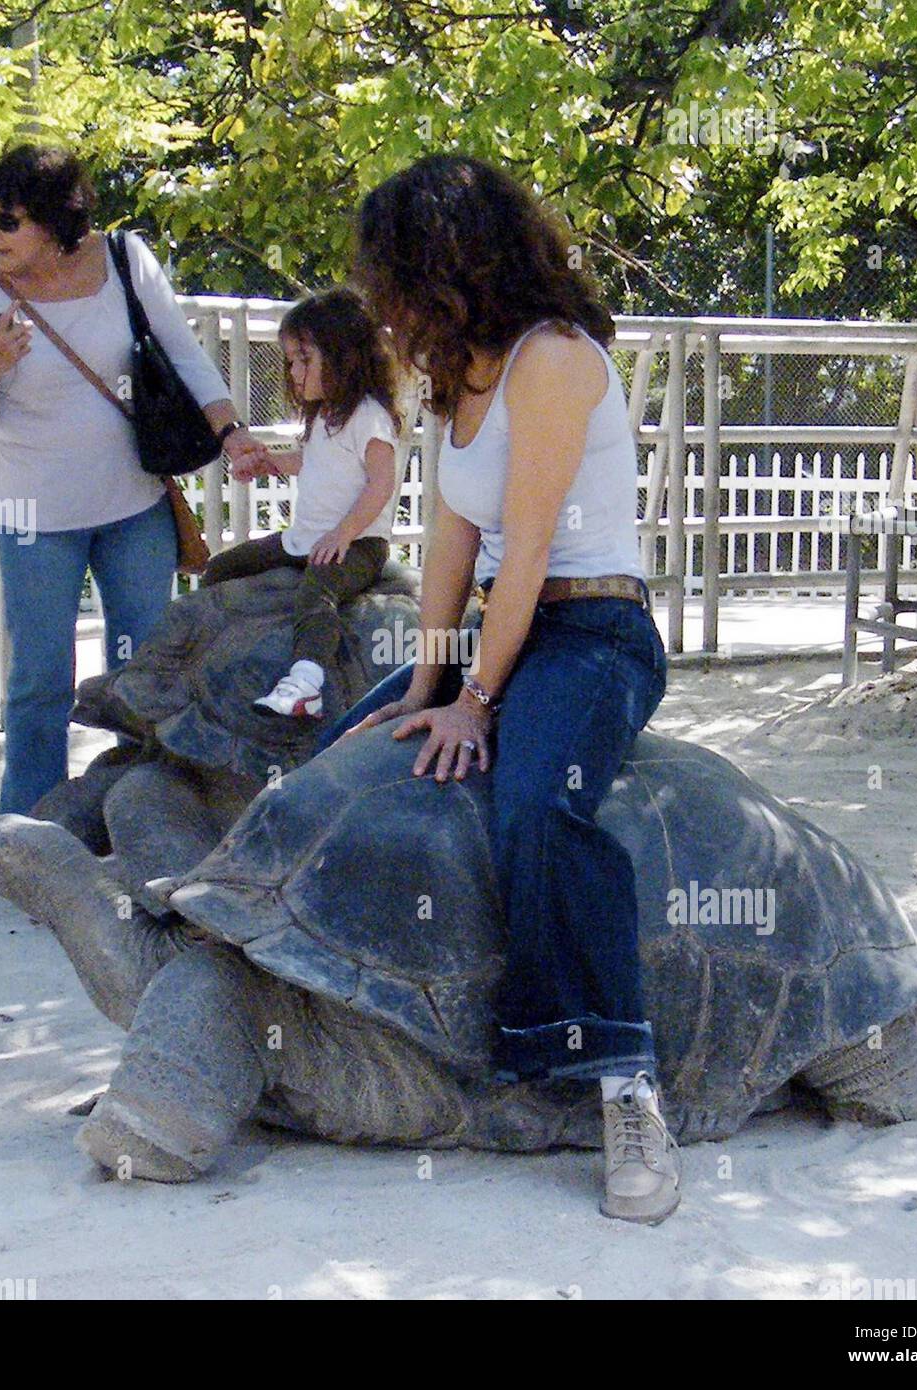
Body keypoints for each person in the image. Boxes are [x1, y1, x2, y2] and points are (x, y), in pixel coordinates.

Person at [315, 154, 680, 1224]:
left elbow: (525, 559)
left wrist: (479, 699)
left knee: (536, 804)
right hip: (506, 627)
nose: (379, 302)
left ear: (447, 263)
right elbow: (451, 550)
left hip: (593, 628)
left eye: (391, 275)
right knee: (348, 743)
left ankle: (625, 1084)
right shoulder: (459, 378)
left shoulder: (554, 359)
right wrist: (424, 682)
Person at [0, 144, 264, 815]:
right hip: (37, 518)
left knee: (145, 668)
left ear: (57, 223)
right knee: (39, 680)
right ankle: (28, 825)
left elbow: (183, 353)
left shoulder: (124, 261)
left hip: (134, 506)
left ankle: (144, 810)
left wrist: (232, 432)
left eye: (7, 220)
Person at [201, 287, 400, 719]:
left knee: (318, 592)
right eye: (290, 360)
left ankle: (306, 681)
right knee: (221, 569)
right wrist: (270, 463)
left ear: (344, 356)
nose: (293, 371)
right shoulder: (323, 415)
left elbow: (382, 482)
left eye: (303, 359)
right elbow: (312, 462)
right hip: (305, 539)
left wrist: (345, 532)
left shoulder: (368, 415)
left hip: (358, 544)